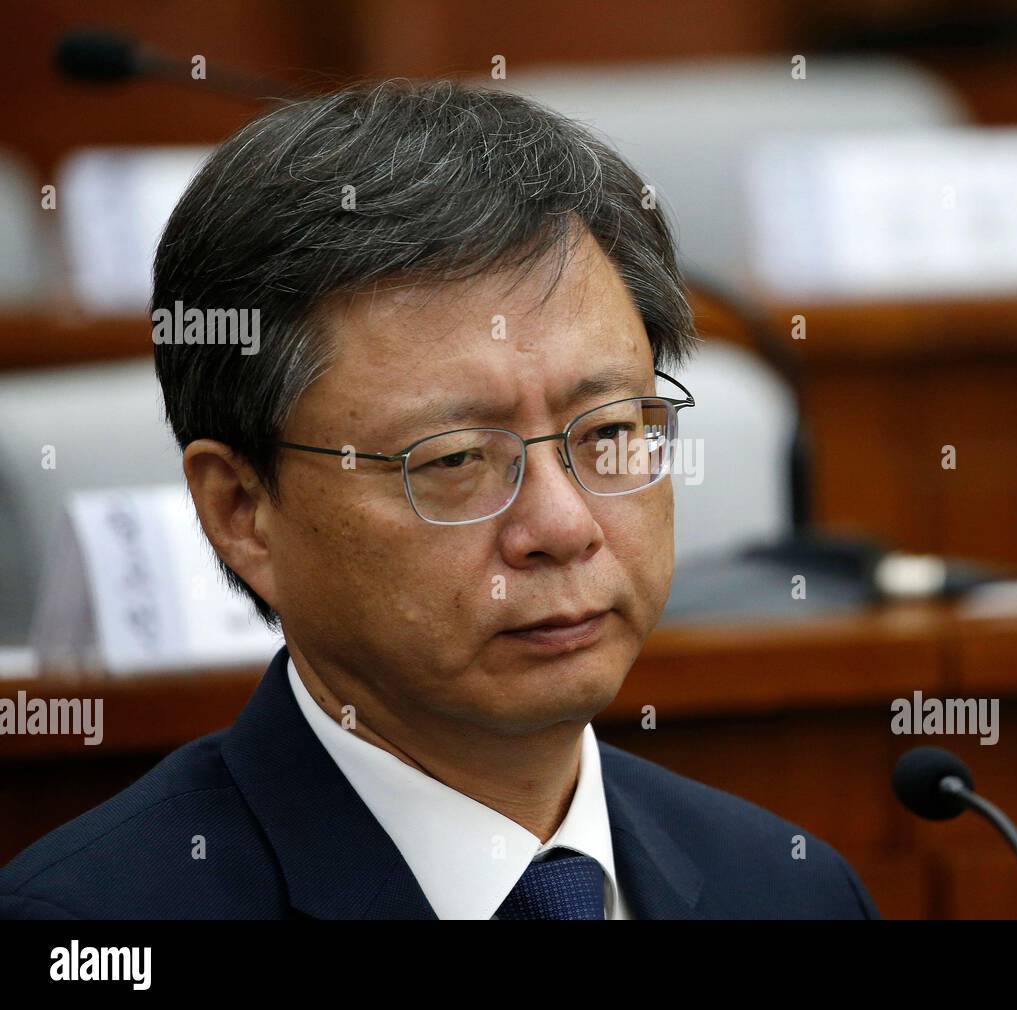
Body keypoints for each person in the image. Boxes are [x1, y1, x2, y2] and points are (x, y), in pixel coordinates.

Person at [0, 79, 878, 920]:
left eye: (610, 433)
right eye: (455, 457)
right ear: (242, 511)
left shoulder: (787, 889)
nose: (564, 527)